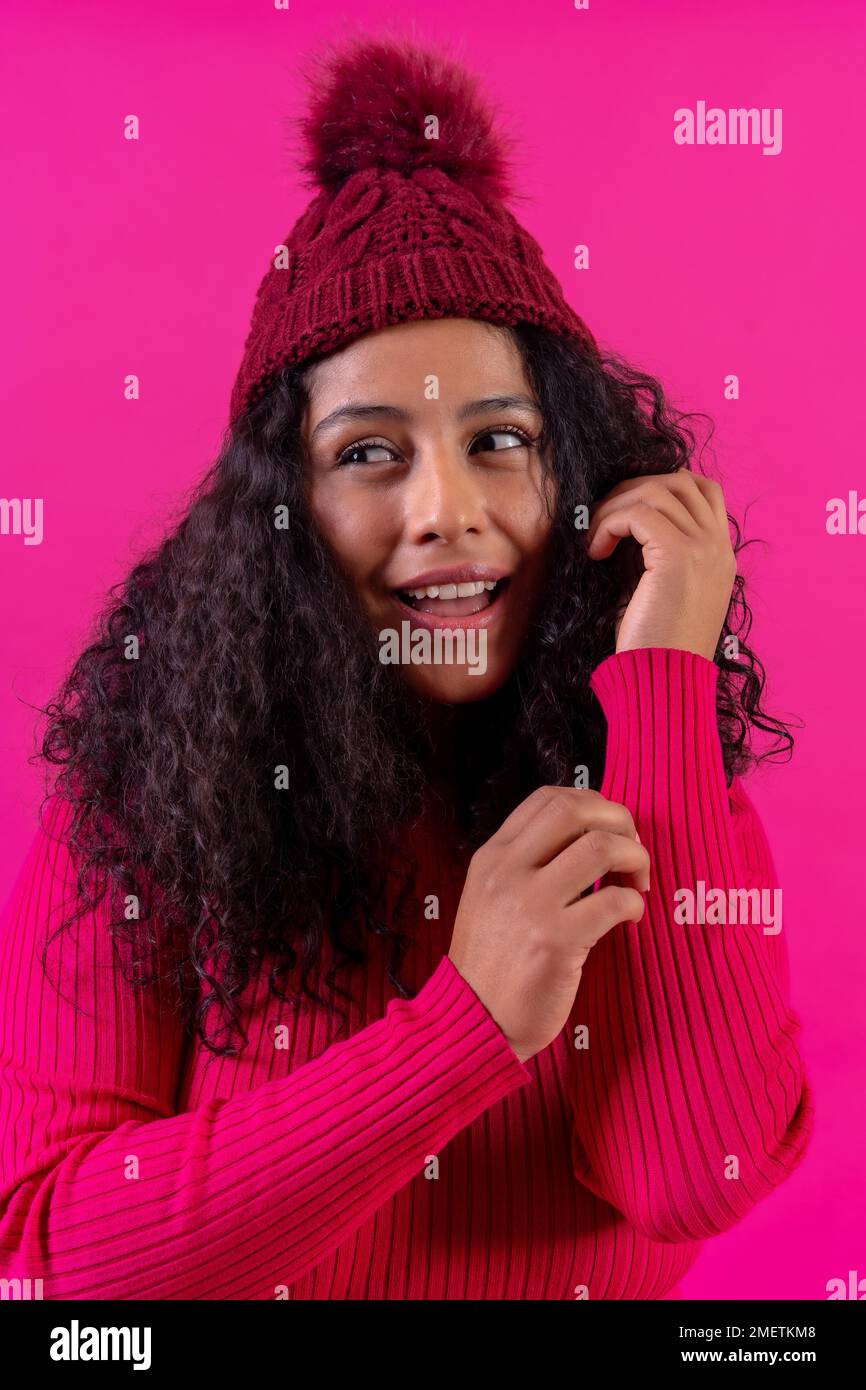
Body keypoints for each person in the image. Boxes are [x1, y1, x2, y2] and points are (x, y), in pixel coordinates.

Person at [0, 30, 813, 1301]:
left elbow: (690, 1174)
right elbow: (53, 1273)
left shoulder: (666, 790)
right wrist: (462, 1029)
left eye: (497, 439)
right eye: (371, 453)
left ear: (576, 472)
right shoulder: (140, 809)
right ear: (280, 512)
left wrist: (659, 678)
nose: (447, 508)